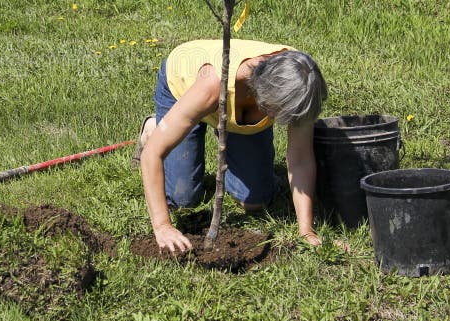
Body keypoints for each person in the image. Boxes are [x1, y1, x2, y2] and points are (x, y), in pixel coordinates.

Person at [133, 39, 328, 253]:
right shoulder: (213, 83)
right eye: (281, 113)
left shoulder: (302, 84)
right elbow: (152, 154)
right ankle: (155, 128)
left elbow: (300, 159)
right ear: (264, 95)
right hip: (184, 90)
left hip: (239, 109)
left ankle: (226, 129)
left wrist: (306, 230)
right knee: (183, 198)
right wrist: (162, 227)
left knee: (255, 201)